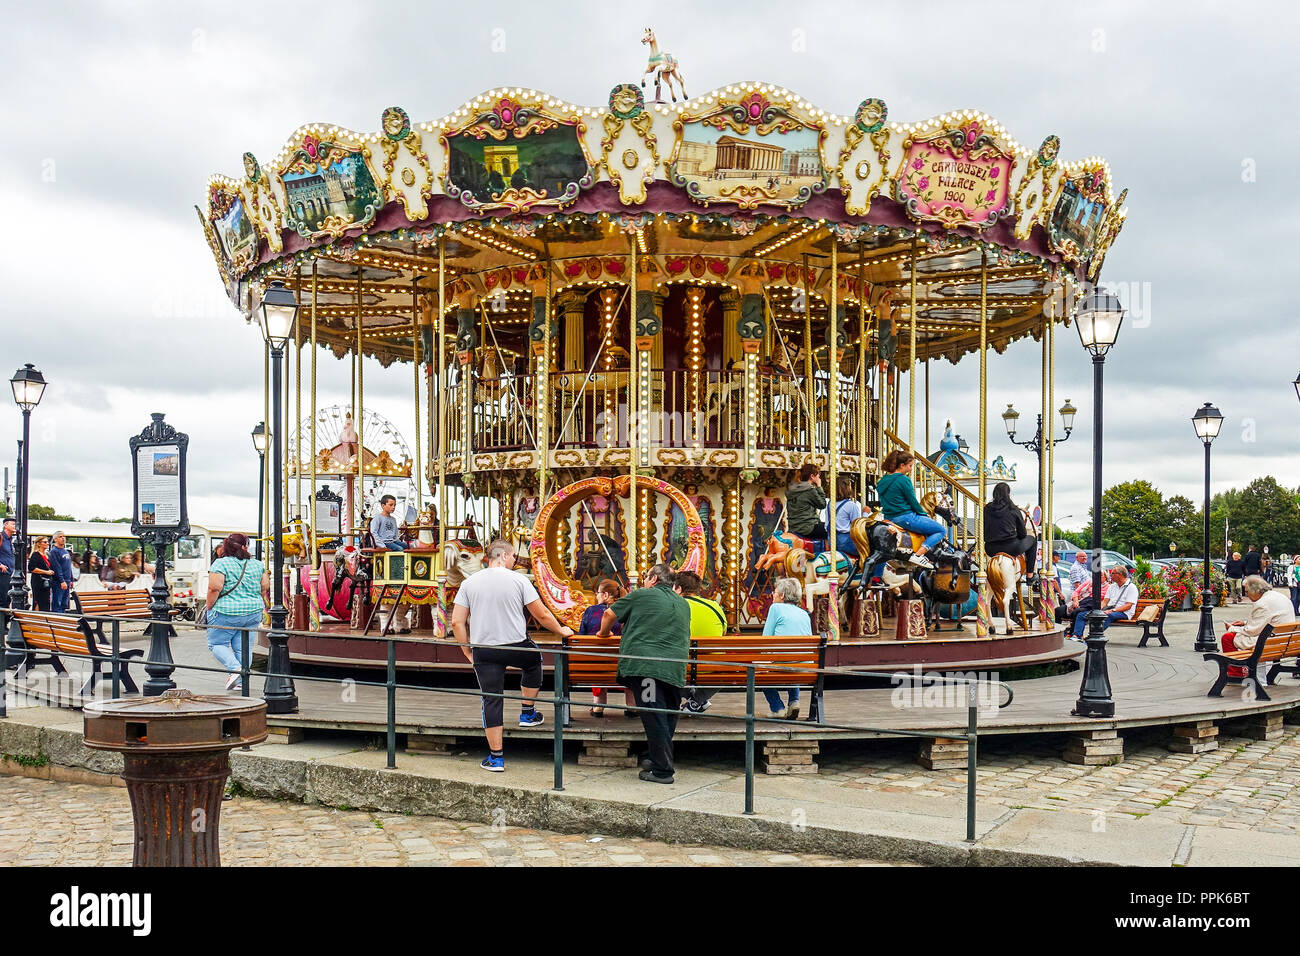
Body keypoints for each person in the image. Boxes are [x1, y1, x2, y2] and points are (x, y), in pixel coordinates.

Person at [451, 539, 573, 772]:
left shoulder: (470, 583)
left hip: (484, 649)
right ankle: (527, 712)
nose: (515, 560)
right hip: (516, 645)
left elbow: (457, 621)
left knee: (491, 698)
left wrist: (466, 649)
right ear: (505, 556)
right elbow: (542, 614)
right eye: (514, 556)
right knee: (534, 660)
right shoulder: (519, 580)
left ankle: (496, 757)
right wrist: (560, 630)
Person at [596, 562, 690, 784]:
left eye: (647, 577)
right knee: (667, 716)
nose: (645, 581)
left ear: (654, 579)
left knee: (653, 715)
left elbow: (609, 613)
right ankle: (656, 757)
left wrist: (603, 634)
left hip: (646, 669)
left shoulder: (641, 595)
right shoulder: (683, 603)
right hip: (675, 669)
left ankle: (662, 771)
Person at [204, 533, 270, 691]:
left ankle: (235, 668)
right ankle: (240, 682)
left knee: (217, 643)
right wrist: (252, 599)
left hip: (226, 611)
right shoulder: (257, 564)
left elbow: (214, 588)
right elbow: (265, 586)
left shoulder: (220, 564)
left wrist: (209, 606)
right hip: (253, 611)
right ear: (245, 546)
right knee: (243, 647)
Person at [876, 449, 942, 570]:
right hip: (905, 517)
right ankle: (917, 555)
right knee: (940, 530)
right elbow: (913, 502)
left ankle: (877, 578)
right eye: (910, 466)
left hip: (888, 518)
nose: (911, 469)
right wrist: (924, 515)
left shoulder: (882, 481)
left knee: (881, 549)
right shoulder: (903, 479)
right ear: (902, 465)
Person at [579, 578, 634, 718]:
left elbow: (581, 637)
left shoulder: (591, 611)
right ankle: (632, 707)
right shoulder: (627, 612)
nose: (596, 596)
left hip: (596, 666)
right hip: (622, 666)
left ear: (605, 595)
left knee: (598, 658)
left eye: (598, 593)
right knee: (628, 662)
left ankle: (598, 706)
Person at [1221, 575, 1296, 677]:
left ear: (1255, 590)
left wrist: (1231, 628)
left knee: (1227, 638)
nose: (1246, 595)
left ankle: (1235, 674)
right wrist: (1244, 623)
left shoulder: (1262, 604)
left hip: (1269, 643)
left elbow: (1251, 631)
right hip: (1286, 641)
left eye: (1247, 592)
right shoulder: (1279, 596)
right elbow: (1267, 620)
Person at [677, 570, 727, 714]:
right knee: (725, 669)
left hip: (682, 667)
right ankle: (698, 700)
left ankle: (696, 700)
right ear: (698, 588)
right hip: (711, 667)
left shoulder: (674, 606)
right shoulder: (714, 606)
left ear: (678, 587)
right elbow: (723, 632)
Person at [762, 577, 813, 719]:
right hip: (804, 666)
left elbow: (765, 639)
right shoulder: (804, 613)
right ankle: (794, 701)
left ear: (782, 595)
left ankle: (777, 707)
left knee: (759, 674)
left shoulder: (775, 608)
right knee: (794, 660)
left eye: (775, 591)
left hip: (783, 663)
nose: (773, 594)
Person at [983, 482, 1036, 575]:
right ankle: (1030, 575)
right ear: (1008, 494)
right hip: (1011, 547)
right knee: (1033, 540)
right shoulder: (1013, 509)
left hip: (990, 549)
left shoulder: (987, 509)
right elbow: (1023, 534)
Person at [1071, 566, 1138, 638]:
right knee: (1082, 614)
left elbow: (1128, 606)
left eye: (1112, 573)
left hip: (1124, 613)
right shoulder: (1112, 586)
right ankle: (1077, 635)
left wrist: (1112, 610)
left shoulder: (1131, 587)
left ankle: (1093, 636)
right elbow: (1105, 602)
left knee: (1108, 616)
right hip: (1108, 610)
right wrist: (1096, 610)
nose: (1110, 576)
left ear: (1119, 575)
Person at [785, 463, 828, 540]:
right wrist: (819, 486)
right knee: (831, 528)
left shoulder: (793, 489)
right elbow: (822, 504)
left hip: (793, 527)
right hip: (807, 528)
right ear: (812, 476)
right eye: (818, 475)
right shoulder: (809, 490)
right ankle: (827, 551)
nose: (819, 477)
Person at [830, 477, 863, 557]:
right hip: (846, 542)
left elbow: (827, 524)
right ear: (847, 488)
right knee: (875, 552)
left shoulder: (830, 504)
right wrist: (865, 514)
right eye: (850, 486)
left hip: (833, 542)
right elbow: (857, 527)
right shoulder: (851, 505)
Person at [27, 536, 56, 611]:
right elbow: (31, 568)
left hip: (46, 582)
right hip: (38, 581)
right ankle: (37, 618)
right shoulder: (35, 555)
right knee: (38, 600)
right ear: (39, 544)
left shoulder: (46, 555)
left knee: (46, 601)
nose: (47, 543)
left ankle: (44, 617)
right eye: (45, 542)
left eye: (47, 542)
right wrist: (46, 572)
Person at [49, 531, 74, 613]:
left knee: (64, 604)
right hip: (59, 582)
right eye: (60, 536)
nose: (63, 538)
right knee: (57, 603)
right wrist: (62, 580)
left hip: (67, 580)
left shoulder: (65, 551)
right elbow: (56, 567)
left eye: (64, 536)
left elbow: (68, 566)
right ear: (55, 539)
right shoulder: (54, 551)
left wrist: (71, 579)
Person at [0, 517, 15, 610]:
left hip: (10, 573)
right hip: (2, 573)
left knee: (8, 598)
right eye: (12, 524)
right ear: (5, 525)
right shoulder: (1, 537)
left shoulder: (12, 540)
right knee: (3, 598)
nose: (15, 526)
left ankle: (4, 622)